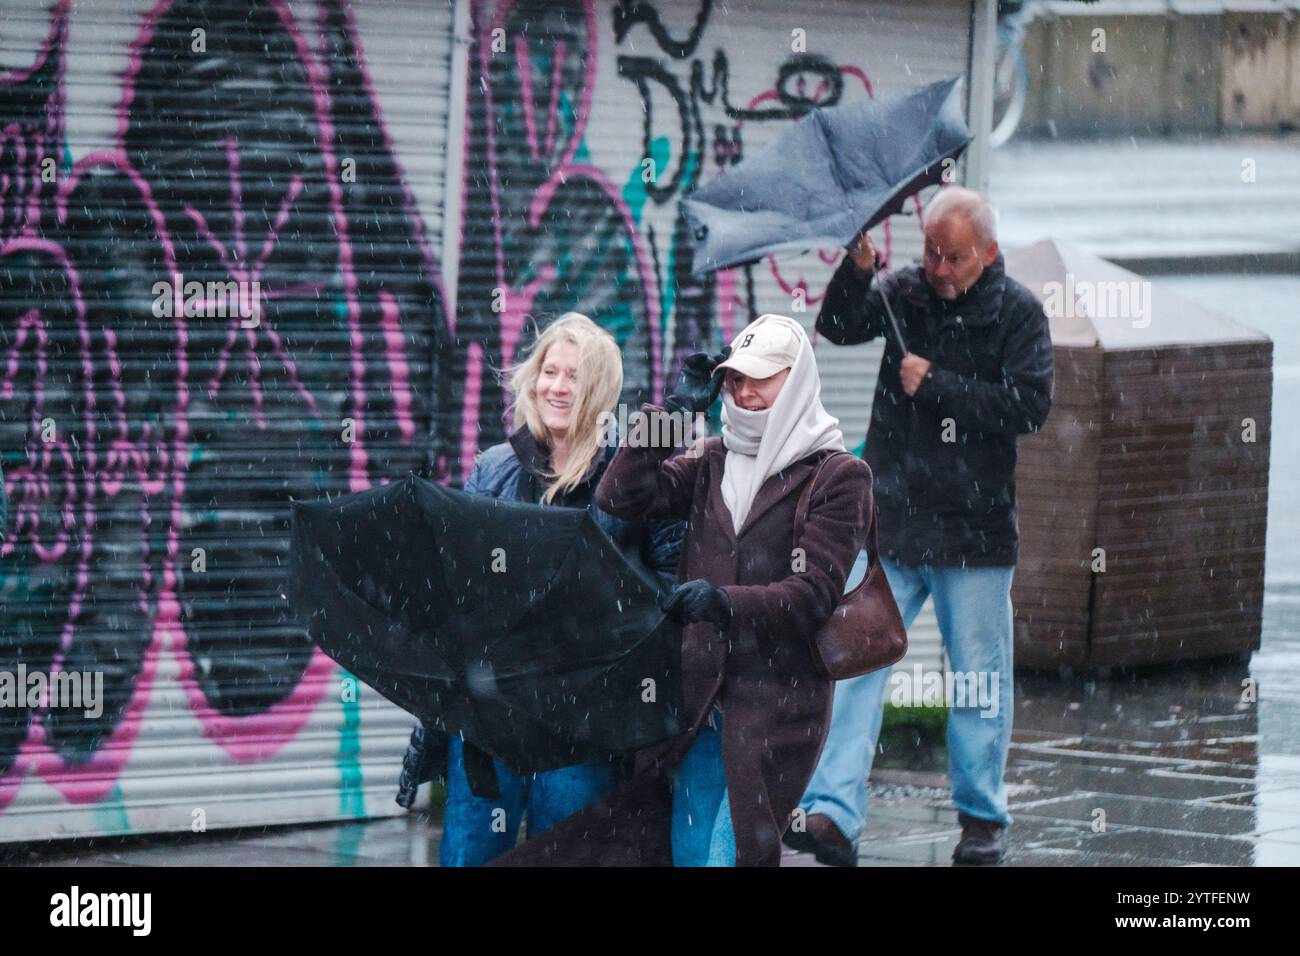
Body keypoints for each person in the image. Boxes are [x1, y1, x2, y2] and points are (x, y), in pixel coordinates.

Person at [792, 186, 1054, 866]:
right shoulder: (902, 291)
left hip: (974, 531)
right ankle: (833, 814)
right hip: (894, 522)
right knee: (854, 665)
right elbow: (843, 325)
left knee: (977, 680)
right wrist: (855, 269)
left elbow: (1029, 405)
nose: (939, 267)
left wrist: (936, 385)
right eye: (932, 252)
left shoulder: (1020, 313)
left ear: (988, 253)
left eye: (955, 257)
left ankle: (981, 819)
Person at [395, 312, 685, 867]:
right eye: (549, 371)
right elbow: (464, 586)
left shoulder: (632, 477)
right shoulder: (493, 470)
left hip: (581, 721)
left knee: (567, 854)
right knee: (470, 853)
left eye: (573, 376)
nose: (557, 386)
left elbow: (668, 587)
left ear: (598, 389)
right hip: (491, 712)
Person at [591, 313, 872, 866]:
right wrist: (672, 416)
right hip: (697, 702)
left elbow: (813, 594)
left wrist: (724, 604)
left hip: (775, 705)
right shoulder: (712, 457)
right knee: (691, 855)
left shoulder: (839, 475)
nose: (744, 391)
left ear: (795, 380)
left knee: (729, 855)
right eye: (735, 378)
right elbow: (619, 496)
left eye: (760, 378)